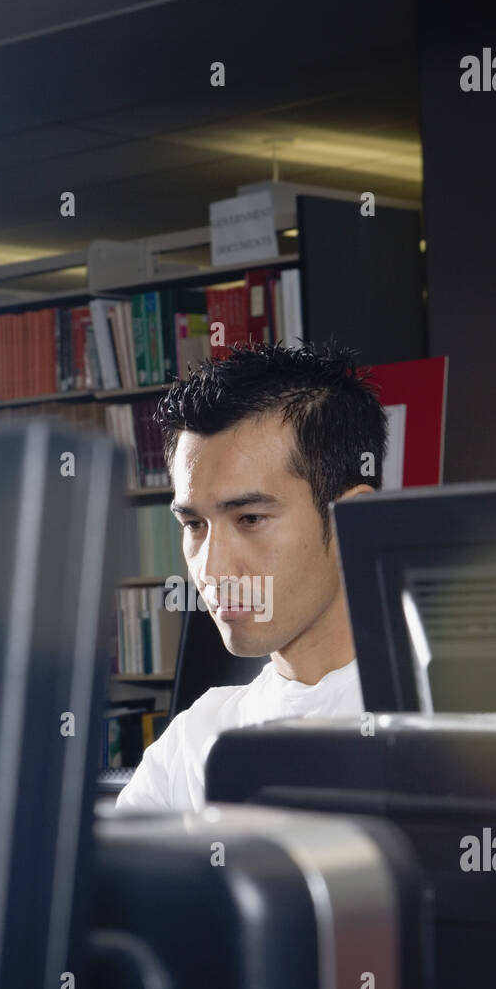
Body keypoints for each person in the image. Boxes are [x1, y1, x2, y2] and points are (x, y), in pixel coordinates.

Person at [115, 339, 387, 812]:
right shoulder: (192, 741)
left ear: (352, 521)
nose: (212, 569)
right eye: (193, 525)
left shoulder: (446, 731)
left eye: (250, 519)